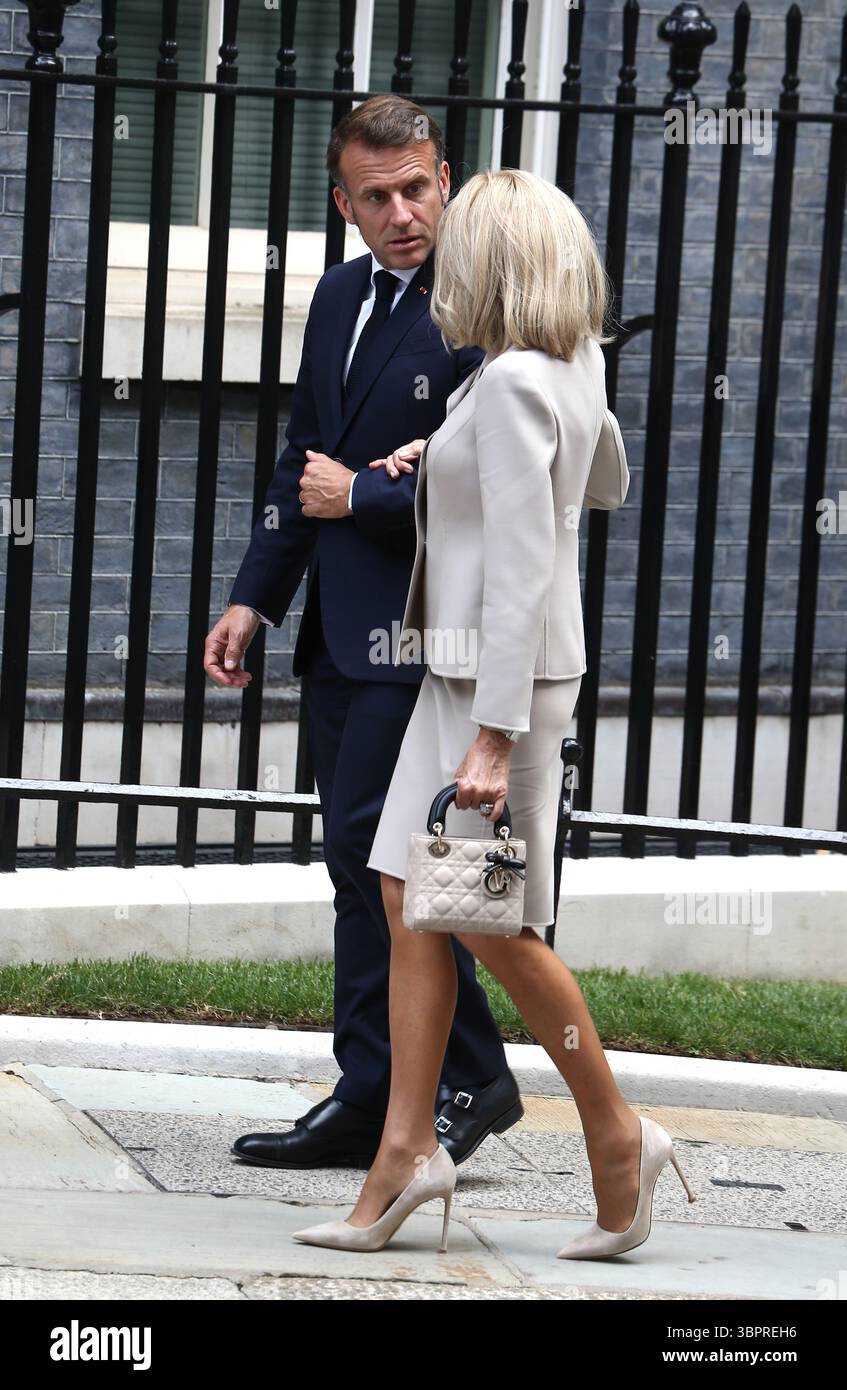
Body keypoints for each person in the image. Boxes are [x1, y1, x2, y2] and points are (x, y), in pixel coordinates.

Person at [291, 168, 697, 1260]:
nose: (443, 263)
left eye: (462, 244)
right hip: (464, 675)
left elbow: (523, 567)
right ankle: (408, 1147)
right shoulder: (556, 366)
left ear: (494, 261)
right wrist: (443, 460)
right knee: (406, 894)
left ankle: (618, 1135)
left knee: (491, 922)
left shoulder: (513, 383)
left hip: (494, 691)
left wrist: (494, 737)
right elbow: (598, 478)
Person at [204, 95, 527, 1169]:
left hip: (424, 636)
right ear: (344, 205)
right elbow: (306, 457)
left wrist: (370, 502)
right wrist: (256, 593)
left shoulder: (486, 301)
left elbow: (502, 483)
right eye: (377, 196)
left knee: (395, 862)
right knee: (356, 864)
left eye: (417, 187)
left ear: (446, 178)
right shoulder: (339, 295)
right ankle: (373, 1087)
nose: (402, 213)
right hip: (337, 635)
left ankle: (470, 1078)